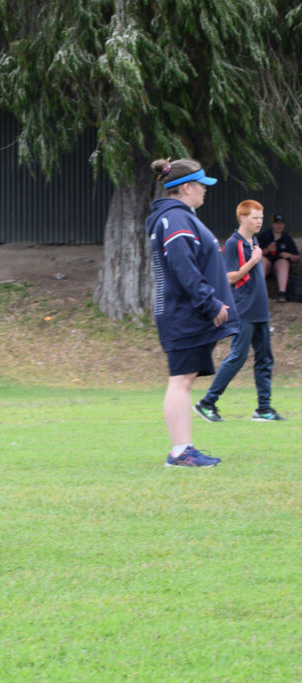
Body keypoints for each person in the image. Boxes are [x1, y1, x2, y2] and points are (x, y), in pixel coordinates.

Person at [146, 157, 239, 467]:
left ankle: (183, 449)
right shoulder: (176, 220)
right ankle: (180, 451)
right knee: (180, 381)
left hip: (185, 312)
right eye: (201, 185)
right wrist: (210, 303)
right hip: (182, 313)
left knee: (183, 380)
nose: (204, 191)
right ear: (186, 188)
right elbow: (183, 267)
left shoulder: (178, 218)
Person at [194, 200, 285, 423]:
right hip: (243, 310)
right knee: (237, 357)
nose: (259, 222)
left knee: (265, 359)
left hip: (261, 311)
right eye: (255, 218)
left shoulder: (253, 241)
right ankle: (207, 403)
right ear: (243, 218)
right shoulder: (234, 244)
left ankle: (263, 409)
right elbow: (228, 278)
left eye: (261, 218)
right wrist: (254, 261)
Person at [258, 213, 300, 302]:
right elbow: (253, 255)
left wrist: (289, 255)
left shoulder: (287, 238)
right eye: (277, 223)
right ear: (272, 224)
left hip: (280, 269)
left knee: (283, 262)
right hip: (267, 266)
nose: (279, 225)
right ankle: (258, 292)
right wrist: (267, 250)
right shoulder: (264, 236)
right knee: (262, 260)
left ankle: (282, 293)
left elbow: (297, 258)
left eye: (281, 223)